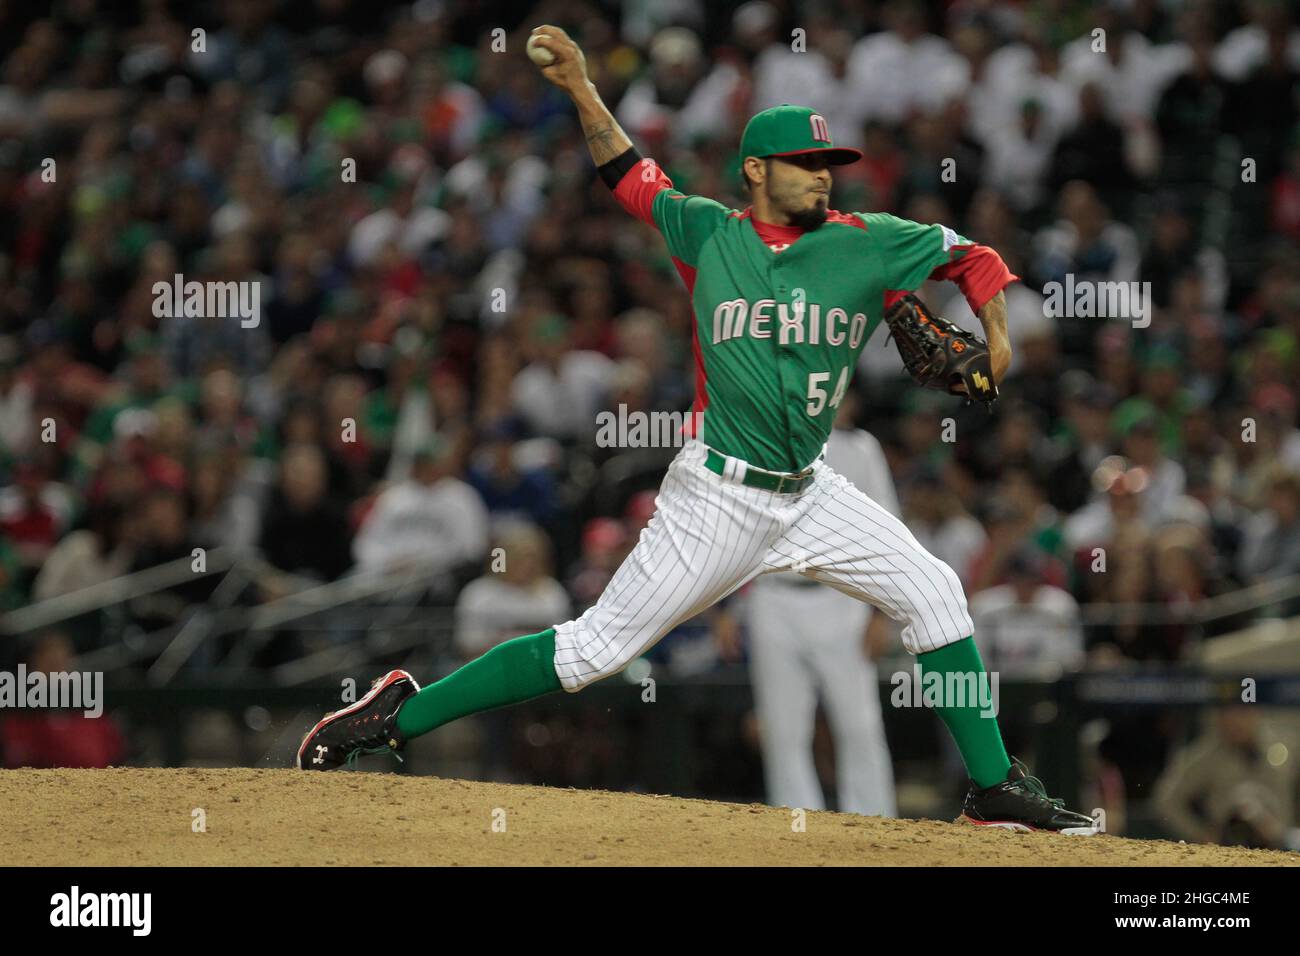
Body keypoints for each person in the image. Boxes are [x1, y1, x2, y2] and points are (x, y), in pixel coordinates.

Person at [297, 25, 1097, 835]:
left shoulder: (869, 243)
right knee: (589, 654)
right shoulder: (710, 234)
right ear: (758, 170)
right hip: (717, 495)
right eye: (806, 163)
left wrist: (996, 344)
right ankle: (396, 715)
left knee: (935, 593)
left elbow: (979, 260)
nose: (823, 176)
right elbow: (626, 172)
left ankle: (992, 788)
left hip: (812, 490)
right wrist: (580, 86)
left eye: (829, 164)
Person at [716, 391, 898, 816]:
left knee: (858, 723)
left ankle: (874, 823)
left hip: (842, 596)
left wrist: (880, 611)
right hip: (771, 596)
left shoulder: (861, 449)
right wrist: (727, 609)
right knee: (783, 729)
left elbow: (886, 531)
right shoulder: (760, 445)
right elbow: (739, 533)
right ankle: (795, 830)